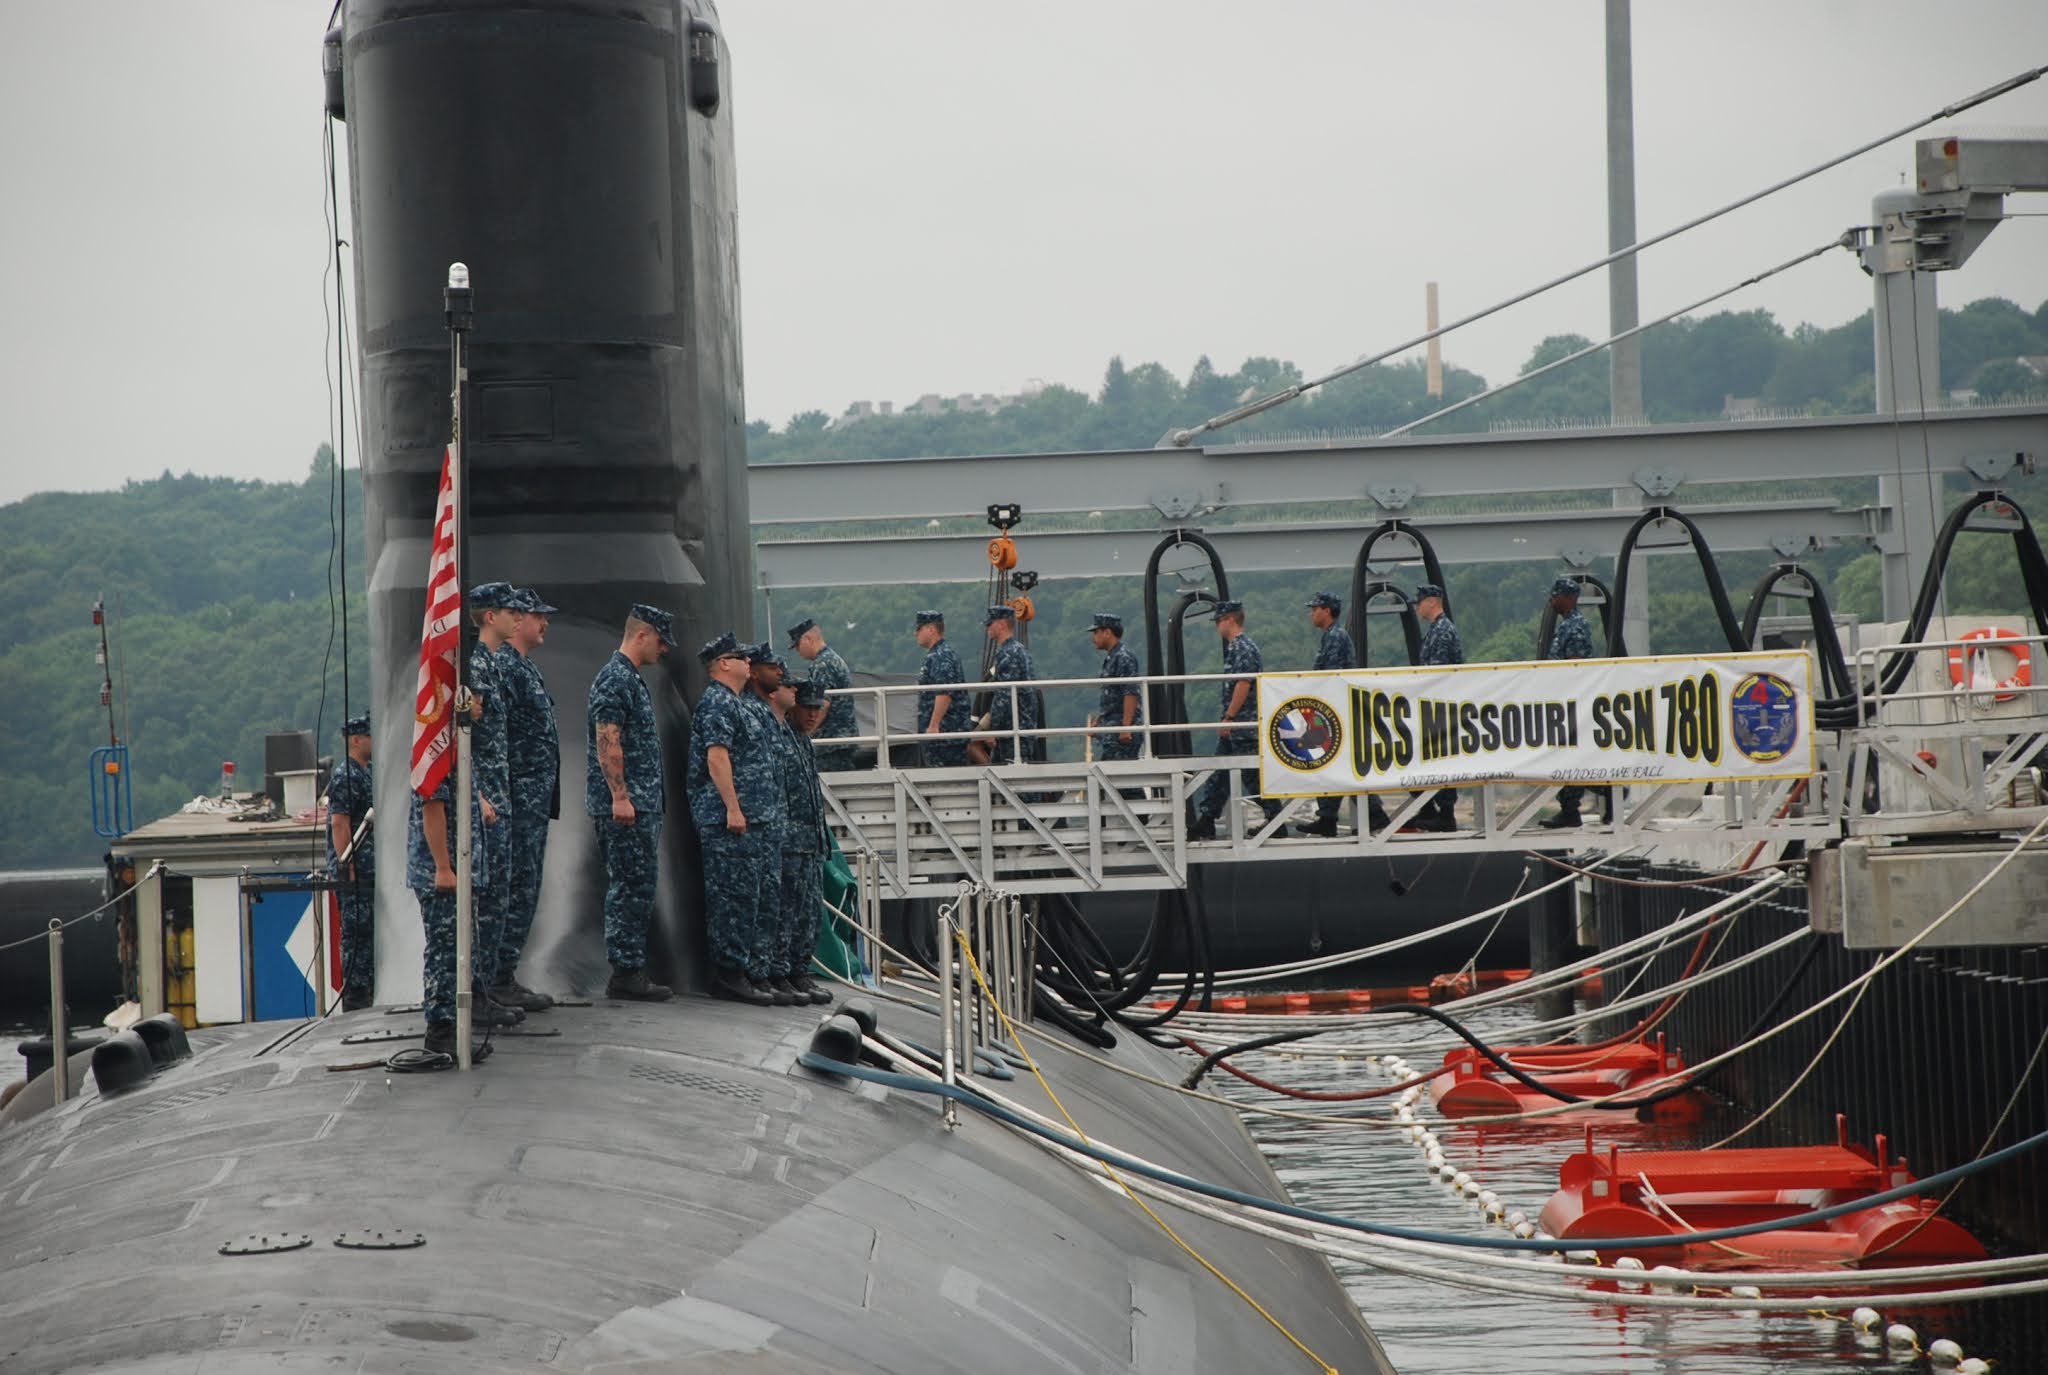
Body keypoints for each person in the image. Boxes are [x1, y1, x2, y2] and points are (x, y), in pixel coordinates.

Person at [586, 603, 676, 1000]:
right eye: (660, 640)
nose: (664, 649)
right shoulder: (615, 679)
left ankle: (631, 967)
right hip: (627, 807)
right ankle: (625, 971)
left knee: (639, 884)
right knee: (629, 885)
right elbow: (608, 738)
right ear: (641, 635)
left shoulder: (630, 679)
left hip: (641, 804)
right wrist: (620, 796)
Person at [686, 631, 777, 1006]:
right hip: (728, 821)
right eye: (741, 658)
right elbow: (717, 757)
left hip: (749, 819)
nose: (749, 663)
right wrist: (733, 808)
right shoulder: (718, 702)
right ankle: (728, 974)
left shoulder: (736, 703)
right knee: (731, 896)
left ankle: (742, 970)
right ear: (724, 664)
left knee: (748, 896)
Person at [491, 586, 559, 1011]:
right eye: (538, 616)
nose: (545, 622)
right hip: (516, 802)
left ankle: (503, 974)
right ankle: (495, 978)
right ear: (517, 620)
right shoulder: (505, 668)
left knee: (525, 888)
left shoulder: (524, 668)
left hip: (532, 803)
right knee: (513, 888)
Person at [407, 724, 491, 1061]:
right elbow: (432, 807)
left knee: (459, 950)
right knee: (445, 951)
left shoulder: (458, 749)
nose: (481, 704)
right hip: (443, 873)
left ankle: (454, 1028)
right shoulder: (438, 750)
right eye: (476, 700)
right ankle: (440, 1030)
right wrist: (443, 866)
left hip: (460, 871)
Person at [465, 582, 521, 1025]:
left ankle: (489, 988)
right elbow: (464, 738)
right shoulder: (476, 665)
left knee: (498, 900)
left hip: (499, 800)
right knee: (484, 903)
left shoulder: (495, 664)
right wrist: (479, 794)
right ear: (490, 616)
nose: (516, 617)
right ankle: (477, 995)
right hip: (485, 804)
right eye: (508, 611)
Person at [1191, 600, 1280, 839]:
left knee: (1251, 775)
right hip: (1237, 725)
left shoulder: (1243, 648)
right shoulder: (1237, 647)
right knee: (1220, 772)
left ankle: (1276, 819)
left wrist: (1229, 718)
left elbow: (1243, 683)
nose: (1217, 626)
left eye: (1219, 621)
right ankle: (1207, 819)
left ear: (1230, 619)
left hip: (1243, 724)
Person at [771, 677, 833, 1005]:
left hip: (810, 842)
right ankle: (780, 971)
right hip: (790, 841)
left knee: (807, 912)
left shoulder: (804, 742)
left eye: (817, 709)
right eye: (806, 708)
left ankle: (798, 968)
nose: (812, 715)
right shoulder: (781, 737)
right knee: (787, 909)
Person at [1541, 576, 1606, 829]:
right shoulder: (1568, 624)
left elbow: (1576, 665)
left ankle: (1605, 791)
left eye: (1556, 595)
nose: (1552, 600)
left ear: (1569, 598)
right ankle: (1574, 808)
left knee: (1573, 757)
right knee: (1568, 757)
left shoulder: (1576, 626)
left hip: (1572, 702)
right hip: (1563, 702)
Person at [326, 714, 375, 1011]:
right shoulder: (347, 775)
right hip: (356, 870)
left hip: (369, 870)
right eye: (369, 735)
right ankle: (356, 994)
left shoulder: (367, 772)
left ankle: (366, 988)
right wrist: (348, 865)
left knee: (368, 930)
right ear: (356, 740)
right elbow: (340, 822)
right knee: (357, 932)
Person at [1302, 591, 1357, 838]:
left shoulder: (1335, 637)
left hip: (1335, 713)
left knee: (1332, 763)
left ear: (1327, 610)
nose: (1312, 613)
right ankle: (1328, 817)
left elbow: (1331, 677)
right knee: (1334, 765)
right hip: (1333, 713)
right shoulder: (1331, 636)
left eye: (1315, 609)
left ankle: (1330, 817)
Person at [1413, 583, 1464, 832]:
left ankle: (1445, 815)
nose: (1417, 607)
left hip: (1441, 709)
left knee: (1443, 760)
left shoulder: (1443, 631)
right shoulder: (1437, 629)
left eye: (1420, 602)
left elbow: (1438, 674)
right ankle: (1430, 811)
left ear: (1432, 602)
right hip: (1434, 709)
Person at [789, 618, 857, 771]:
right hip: (841, 739)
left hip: (830, 742)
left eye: (798, 645)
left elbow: (821, 704)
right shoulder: (832, 658)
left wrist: (805, 734)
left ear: (808, 639)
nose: (798, 651)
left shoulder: (822, 664)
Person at [977, 606, 1041, 765]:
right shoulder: (1019, 650)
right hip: (1020, 727)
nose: (987, 628)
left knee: (1010, 772)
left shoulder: (1008, 653)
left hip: (1013, 730)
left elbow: (1004, 695)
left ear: (1001, 625)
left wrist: (994, 729)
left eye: (990, 624)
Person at [914, 610, 971, 766]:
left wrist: (934, 725)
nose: (915, 633)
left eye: (919, 628)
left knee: (944, 778)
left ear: (931, 629)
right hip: (945, 734)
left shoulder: (941, 656)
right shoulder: (940, 653)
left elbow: (944, 692)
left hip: (945, 735)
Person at [1089, 613, 1143, 762]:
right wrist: (1099, 720)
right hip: (1112, 728)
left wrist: (1125, 728)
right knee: (1112, 773)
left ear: (1107, 633)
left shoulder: (1123, 657)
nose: (1093, 638)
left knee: (1117, 773)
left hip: (1120, 731)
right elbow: (1113, 694)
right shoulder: (1113, 657)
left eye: (1096, 632)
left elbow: (1130, 692)